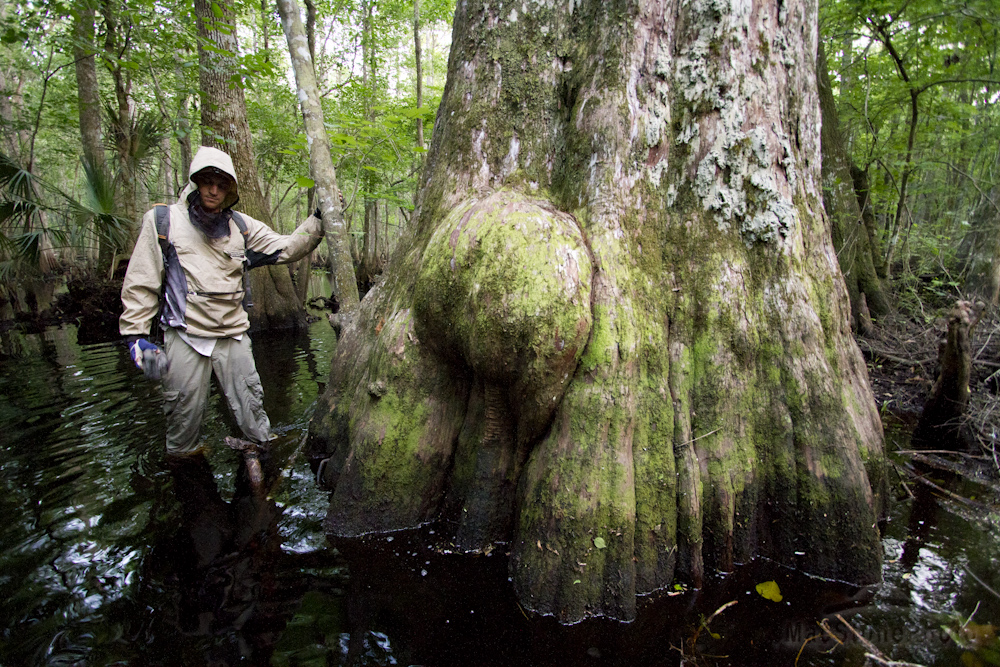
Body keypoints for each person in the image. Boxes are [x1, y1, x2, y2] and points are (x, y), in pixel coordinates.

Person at [120, 146, 324, 456]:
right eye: (206, 181)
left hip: (232, 334)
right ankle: (186, 470)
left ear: (229, 188)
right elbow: (141, 281)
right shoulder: (164, 221)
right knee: (182, 418)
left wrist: (320, 220)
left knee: (252, 409)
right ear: (195, 182)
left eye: (221, 183)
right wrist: (135, 336)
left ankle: (263, 458)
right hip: (184, 334)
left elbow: (286, 247)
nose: (213, 190)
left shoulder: (241, 226)